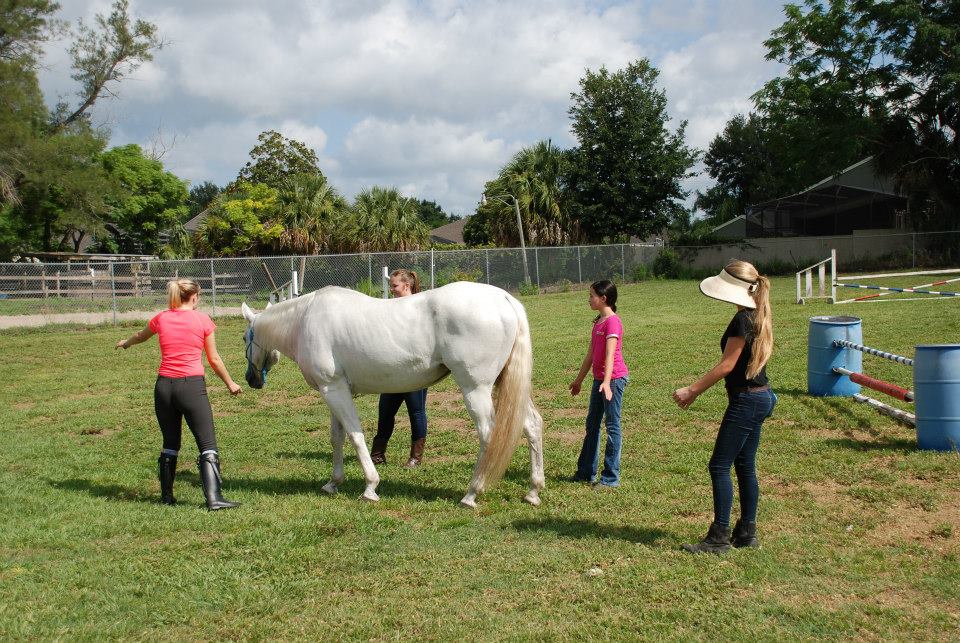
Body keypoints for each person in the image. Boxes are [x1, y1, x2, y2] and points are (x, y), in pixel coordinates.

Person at [673, 260, 775, 553]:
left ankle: (719, 538)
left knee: (719, 466)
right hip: (761, 397)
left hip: (747, 400)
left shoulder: (742, 320)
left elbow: (727, 366)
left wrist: (692, 390)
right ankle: (747, 533)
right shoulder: (757, 316)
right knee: (745, 466)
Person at [116, 278, 242, 511]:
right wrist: (230, 383)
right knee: (207, 444)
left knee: (170, 443)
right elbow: (213, 359)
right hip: (191, 388)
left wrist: (126, 343)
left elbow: (141, 336)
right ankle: (214, 498)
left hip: (164, 388)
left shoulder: (161, 318)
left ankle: (166, 497)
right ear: (194, 297)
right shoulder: (203, 320)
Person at [569, 280, 629, 488]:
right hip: (599, 381)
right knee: (592, 425)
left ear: (604, 298)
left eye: (592, 295)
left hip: (613, 380)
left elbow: (611, 354)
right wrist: (578, 381)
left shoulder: (613, 322)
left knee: (612, 427)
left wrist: (606, 382)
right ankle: (586, 472)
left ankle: (610, 478)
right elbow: (590, 356)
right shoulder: (598, 322)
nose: (589, 299)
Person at [369, 269, 429, 468]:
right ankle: (377, 454)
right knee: (385, 412)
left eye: (394, 286)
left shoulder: (420, 306)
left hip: (414, 370)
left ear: (407, 285)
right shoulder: (391, 306)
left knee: (416, 412)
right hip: (393, 371)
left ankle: (415, 457)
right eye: (391, 286)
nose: (392, 290)